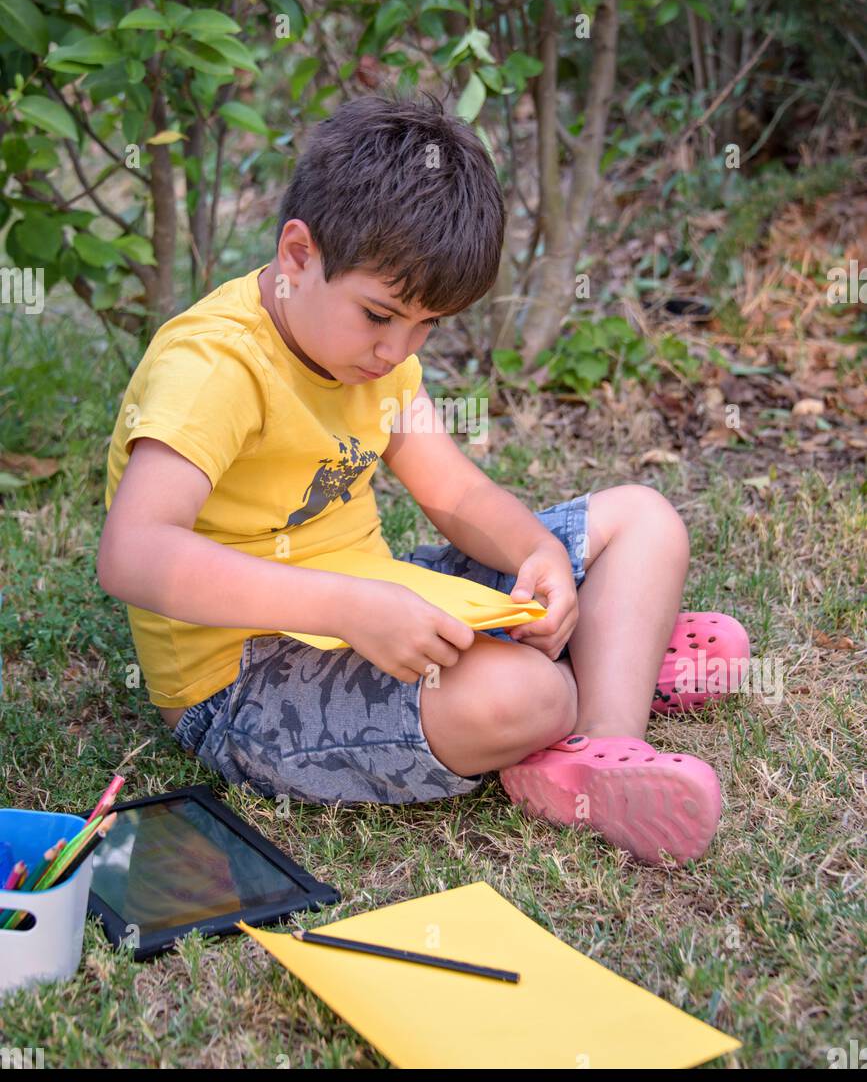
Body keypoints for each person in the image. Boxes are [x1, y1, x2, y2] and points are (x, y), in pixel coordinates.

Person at [98, 89, 749, 866]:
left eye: (425, 326)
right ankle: (601, 670)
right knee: (525, 695)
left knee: (643, 517)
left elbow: (456, 493)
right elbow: (132, 555)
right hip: (241, 680)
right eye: (379, 316)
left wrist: (535, 551)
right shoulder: (215, 367)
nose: (396, 351)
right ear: (297, 255)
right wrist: (347, 607)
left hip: (380, 596)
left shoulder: (374, 354)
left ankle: (606, 747)